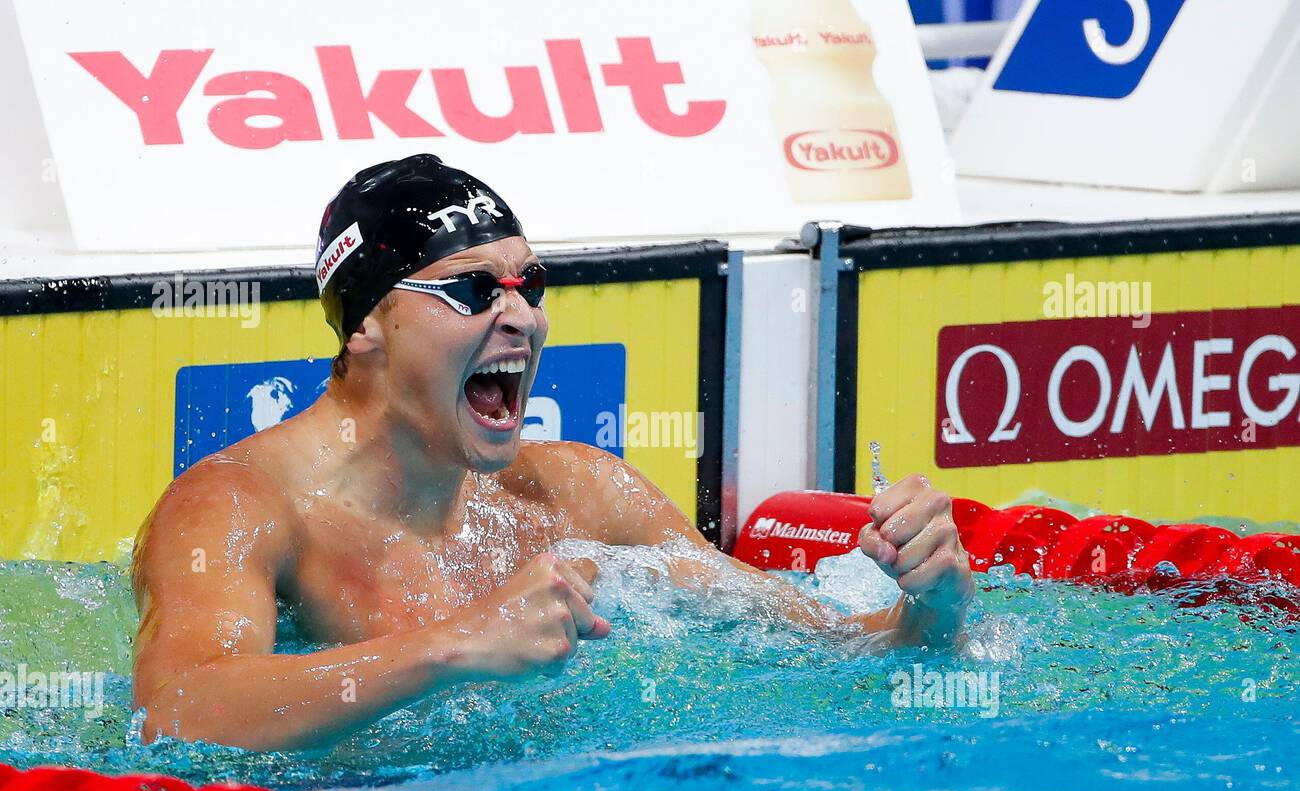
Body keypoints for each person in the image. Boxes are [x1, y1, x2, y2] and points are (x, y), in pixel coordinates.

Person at [130, 154, 974, 752]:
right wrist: (454, 646)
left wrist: (927, 611)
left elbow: (833, 650)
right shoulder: (238, 508)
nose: (523, 317)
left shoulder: (578, 496)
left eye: (529, 285)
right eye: (471, 289)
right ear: (365, 324)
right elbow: (177, 711)